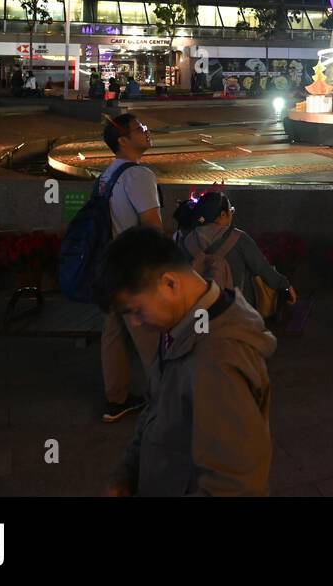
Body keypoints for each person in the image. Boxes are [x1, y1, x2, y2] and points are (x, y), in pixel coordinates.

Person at [99, 228, 275, 496]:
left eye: (136, 310)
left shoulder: (217, 360)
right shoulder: (181, 327)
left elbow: (235, 486)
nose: (134, 323)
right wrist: (127, 472)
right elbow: (156, 408)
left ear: (169, 284)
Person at [97, 114, 165, 422]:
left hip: (109, 265)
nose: (147, 132)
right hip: (134, 270)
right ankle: (167, 401)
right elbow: (152, 226)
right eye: (139, 129)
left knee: (113, 335)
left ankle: (116, 400)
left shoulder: (107, 174)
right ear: (123, 140)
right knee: (152, 339)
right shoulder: (139, 175)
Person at [173, 192, 295, 317]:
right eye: (231, 210)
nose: (232, 214)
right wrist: (285, 286)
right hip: (235, 315)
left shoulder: (185, 240)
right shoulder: (238, 238)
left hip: (197, 313)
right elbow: (262, 268)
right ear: (222, 215)